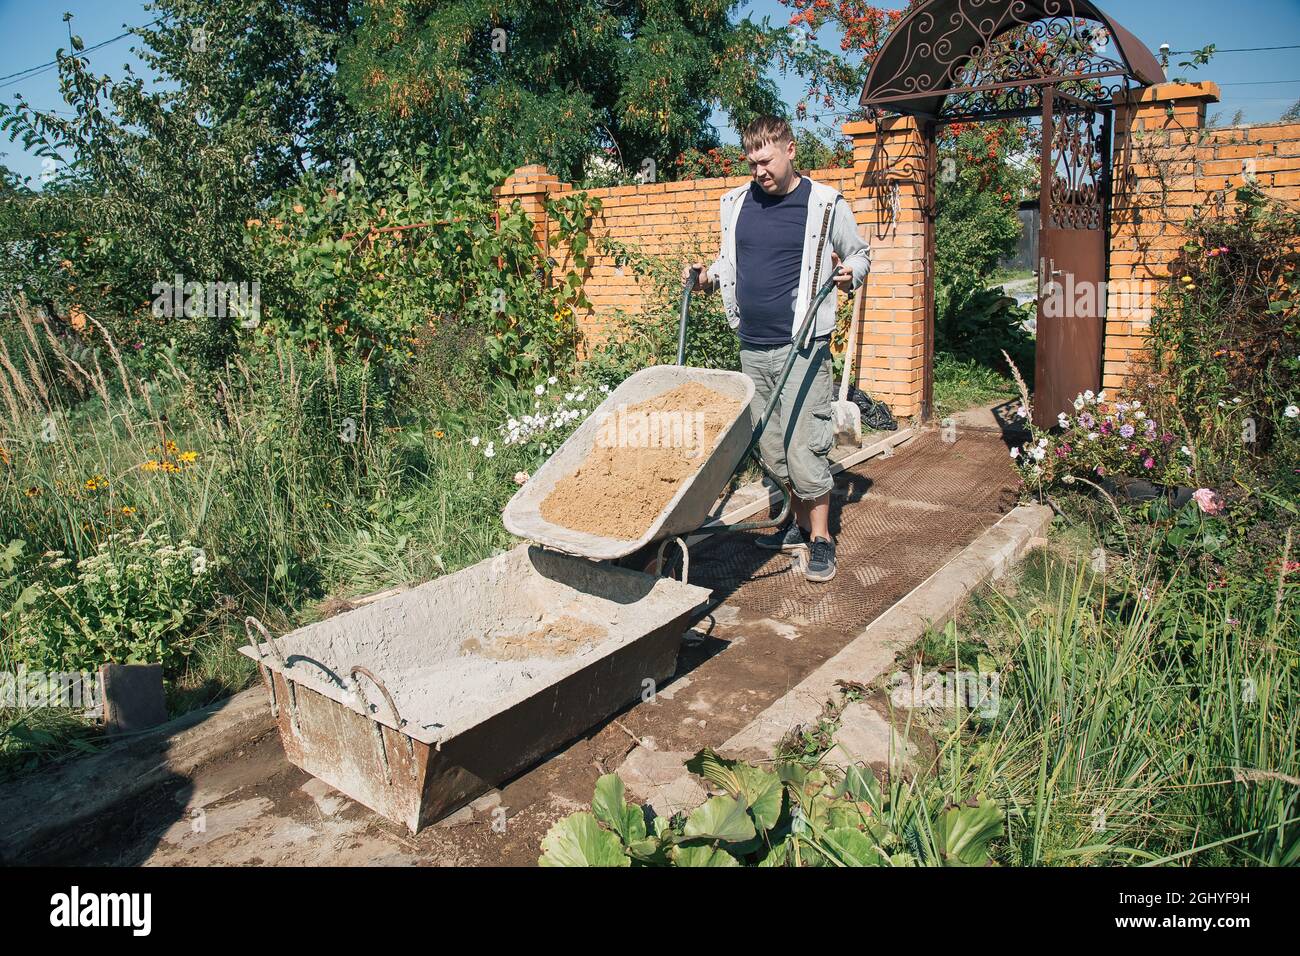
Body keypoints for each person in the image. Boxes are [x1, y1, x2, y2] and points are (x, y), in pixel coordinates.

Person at [683, 115, 870, 583]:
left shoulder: (825, 203)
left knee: (805, 445)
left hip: (802, 346)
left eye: (766, 160)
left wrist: (850, 273)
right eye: (752, 162)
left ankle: (821, 539)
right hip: (752, 346)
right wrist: (705, 278)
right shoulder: (737, 203)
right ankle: (793, 523)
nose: (759, 170)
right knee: (769, 445)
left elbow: (860, 253)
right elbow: (729, 262)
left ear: (790, 149)